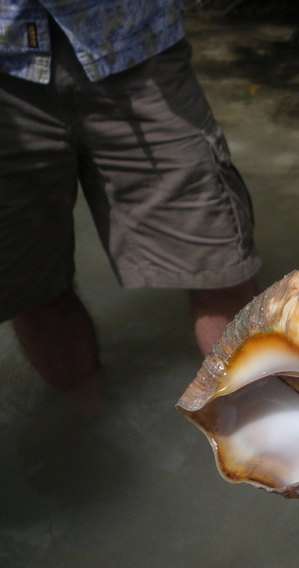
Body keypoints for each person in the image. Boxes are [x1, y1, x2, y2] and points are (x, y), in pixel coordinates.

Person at [0, 0, 259, 407]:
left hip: (133, 38)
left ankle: (262, 428)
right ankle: (89, 423)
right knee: (33, 287)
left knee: (220, 269)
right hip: (6, 68)